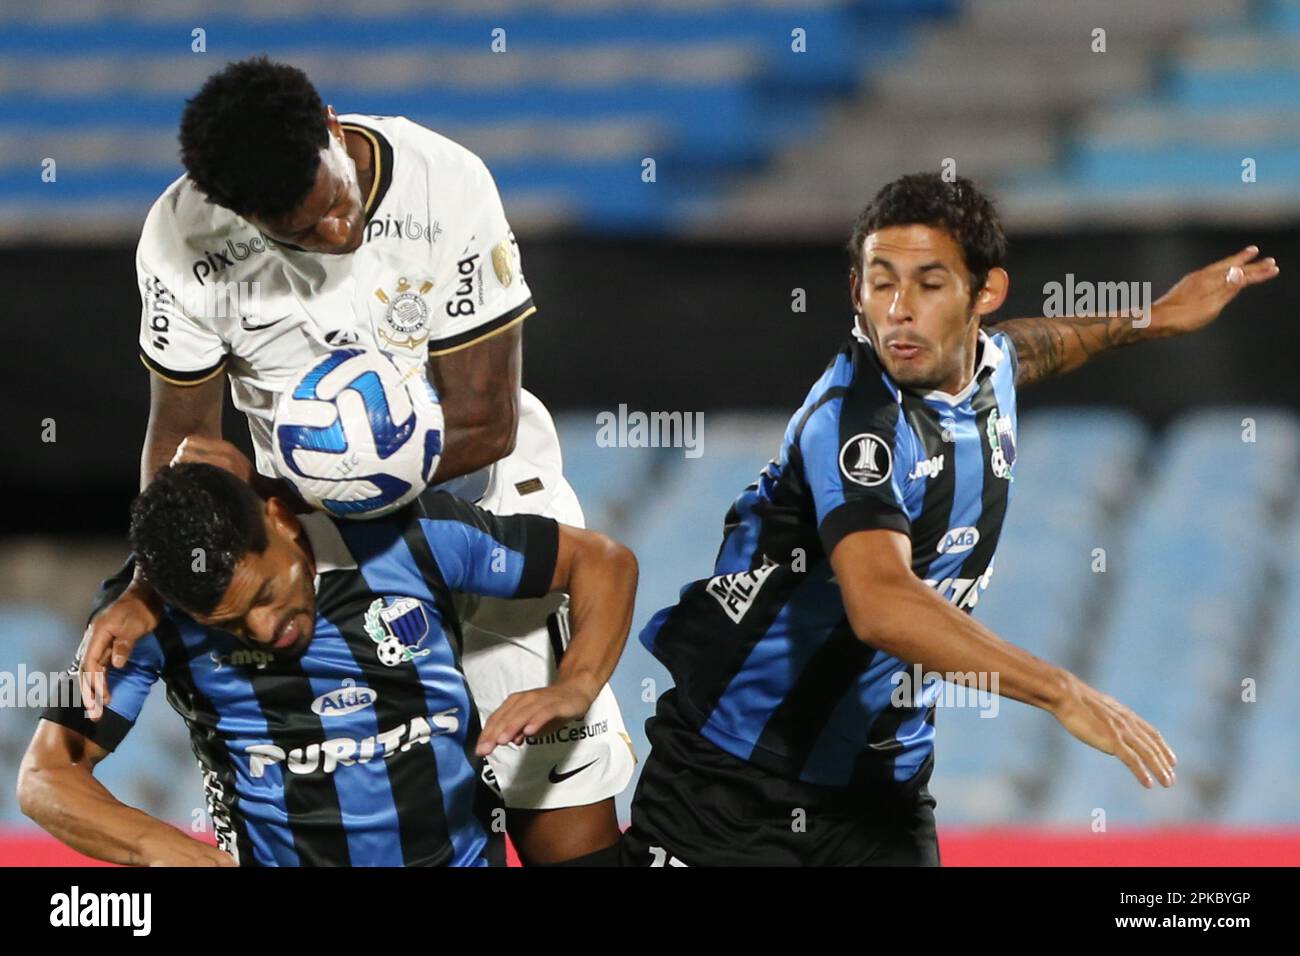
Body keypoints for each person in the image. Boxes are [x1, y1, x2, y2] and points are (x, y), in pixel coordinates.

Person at [619, 173, 1280, 866]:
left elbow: (1037, 344)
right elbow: (879, 605)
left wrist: (1154, 318)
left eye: (929, 284)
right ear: (857, 291)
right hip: (734, 785)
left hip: (882, 791)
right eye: (881, 283)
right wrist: (1060, 691)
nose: (899, 310)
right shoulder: (856, 423)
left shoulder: (987, 364)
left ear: (983, 294)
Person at [77, 57, 635, 864]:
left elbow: (485, 421)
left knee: (567, 831)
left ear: (333, 128)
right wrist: (147, 582)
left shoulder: (447, 183)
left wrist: (311, 485)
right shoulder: (183, 242)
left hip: (487, 518)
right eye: (301, 232)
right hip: (315, 562)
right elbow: (179, 445)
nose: (336, 233)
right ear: (236, 214)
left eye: (333, 202)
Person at [19, 463, 637, 867]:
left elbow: (603, 562)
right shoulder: (146, 620)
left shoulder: (404, 542)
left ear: (282, 522)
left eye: (265, 595)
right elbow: (46, 777)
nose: (266, 630)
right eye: (230, 625)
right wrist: (162, 849)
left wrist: (578, 683)